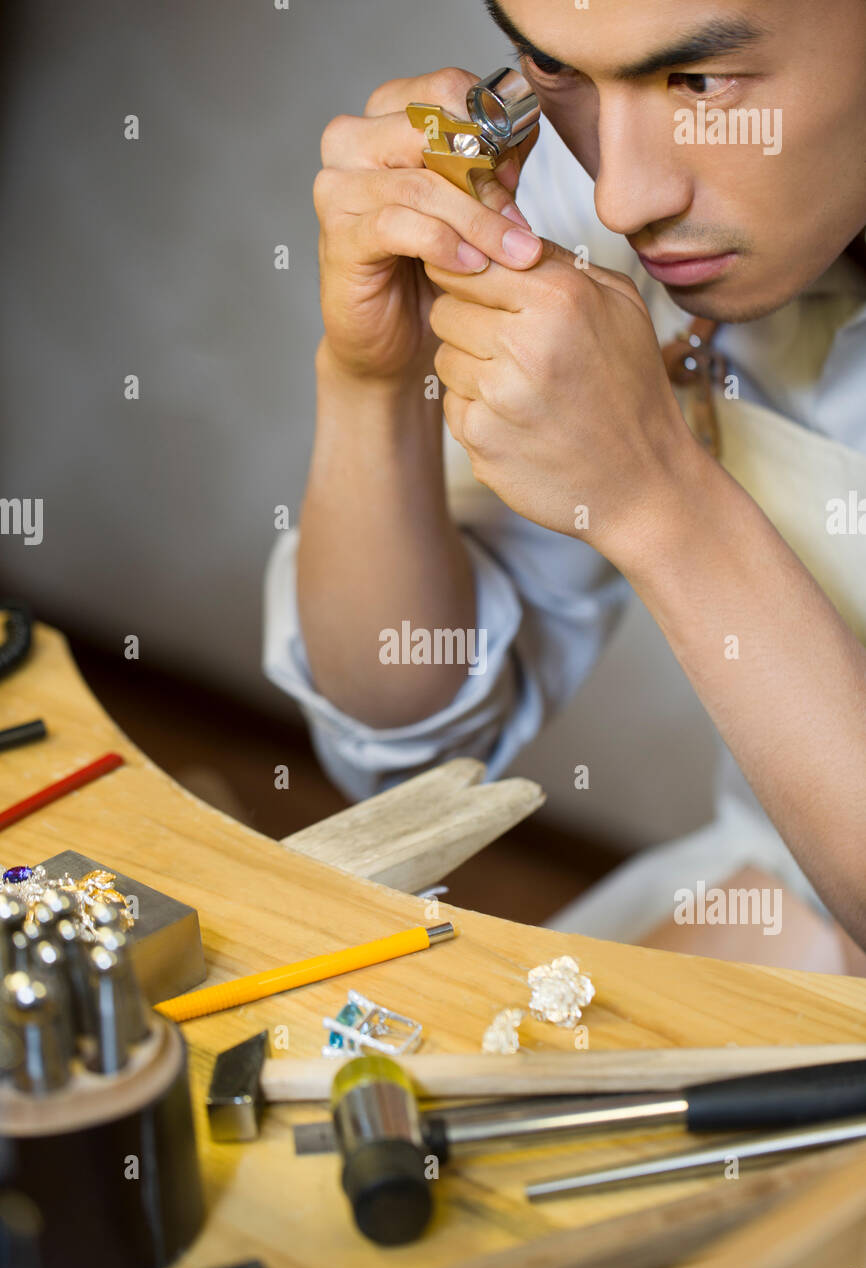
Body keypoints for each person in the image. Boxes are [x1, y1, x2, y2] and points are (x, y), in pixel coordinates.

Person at [263, 0, 866, 973]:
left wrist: (659, 502)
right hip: (793, 888)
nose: (622, 196)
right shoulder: (584, 184)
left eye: (699, 83)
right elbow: (403, 741)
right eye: (550, 64)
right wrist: (376, 381)